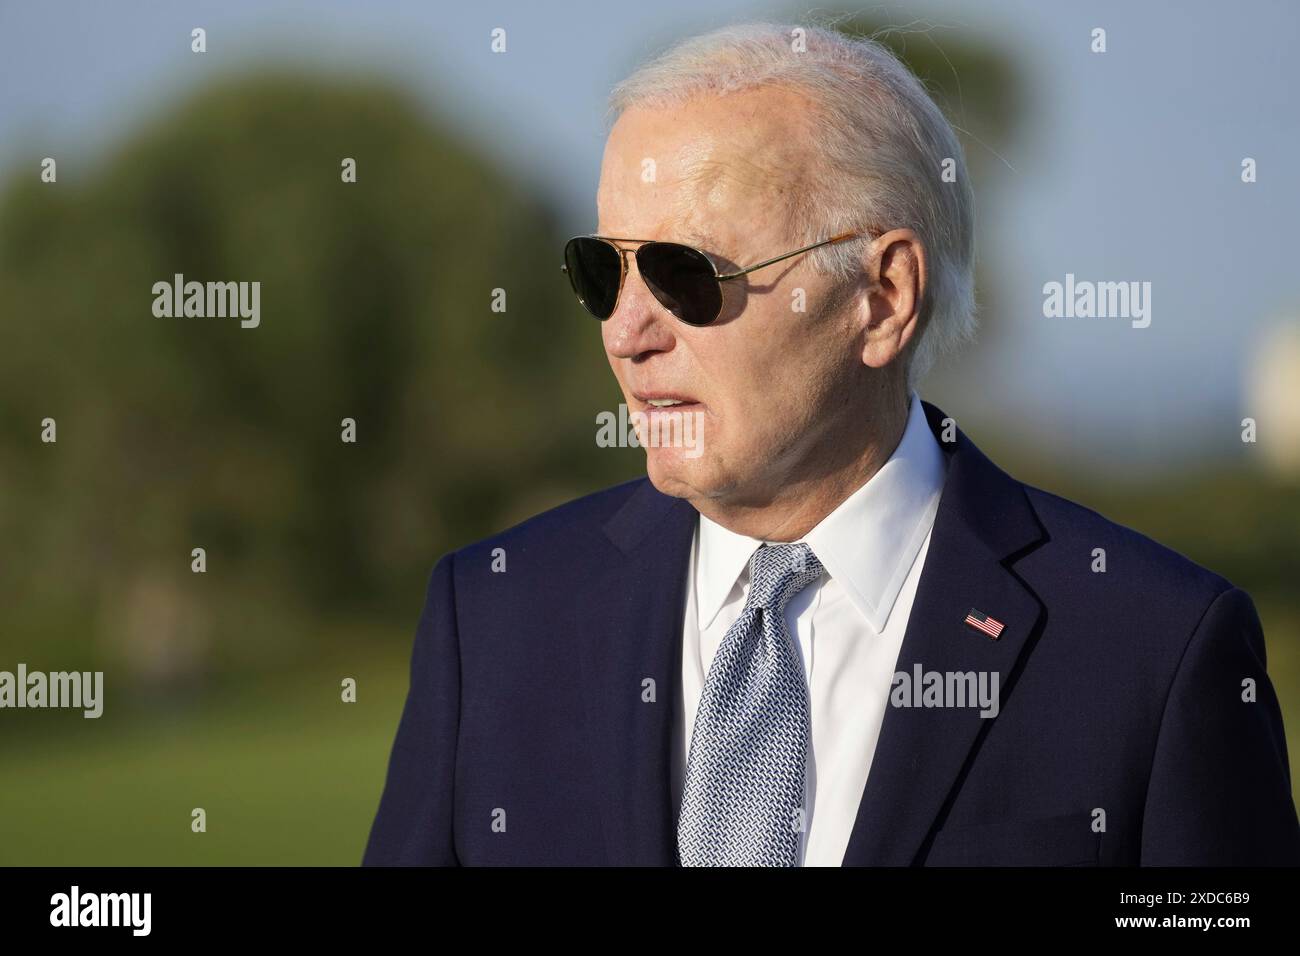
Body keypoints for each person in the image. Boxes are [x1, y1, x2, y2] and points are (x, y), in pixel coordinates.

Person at [362, 22, 1300, 866]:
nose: (625, 331)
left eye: (687, 275)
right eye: (602, 271)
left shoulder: (1153, 649)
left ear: (883, 296)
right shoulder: (493, 617)